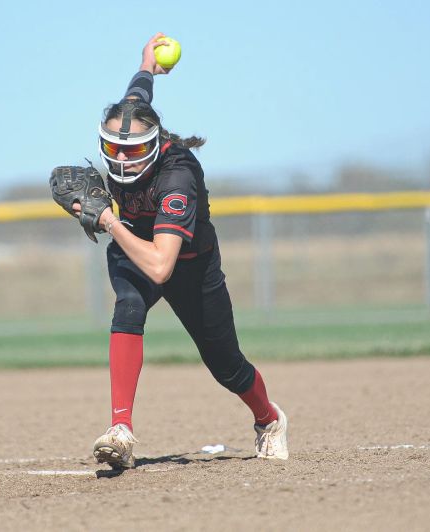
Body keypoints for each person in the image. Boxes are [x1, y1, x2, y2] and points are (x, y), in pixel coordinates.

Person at [70, 33, 288, 469]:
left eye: (131, 153)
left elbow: (160, 264)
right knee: (128, 307)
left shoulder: (177, 178)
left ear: (153, 148)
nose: (121, 161)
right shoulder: (131, 121)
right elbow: (138, 93)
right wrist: (148, 64)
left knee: (226, 365)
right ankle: (120, 429)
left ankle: (269, 419)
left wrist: (107, 220)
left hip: (188, 266)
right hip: (134, 242)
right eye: (113, 149)